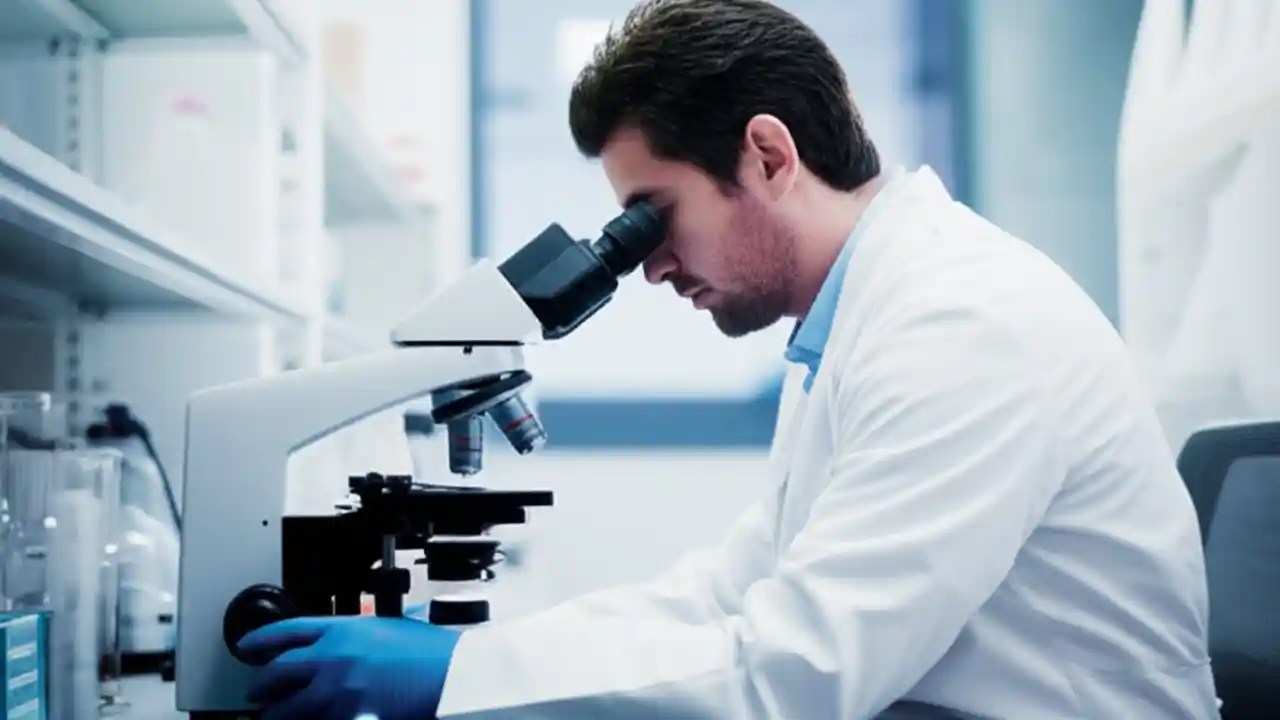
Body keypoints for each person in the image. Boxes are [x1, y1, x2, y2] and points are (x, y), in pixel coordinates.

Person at [237, 1, 1221, 717]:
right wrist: (475, 656)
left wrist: (455, 681)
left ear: (766, 155)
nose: (648, 264)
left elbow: (795, 675)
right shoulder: (854, 326)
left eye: (650, 218)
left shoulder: (959, 325)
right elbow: (726, 595)